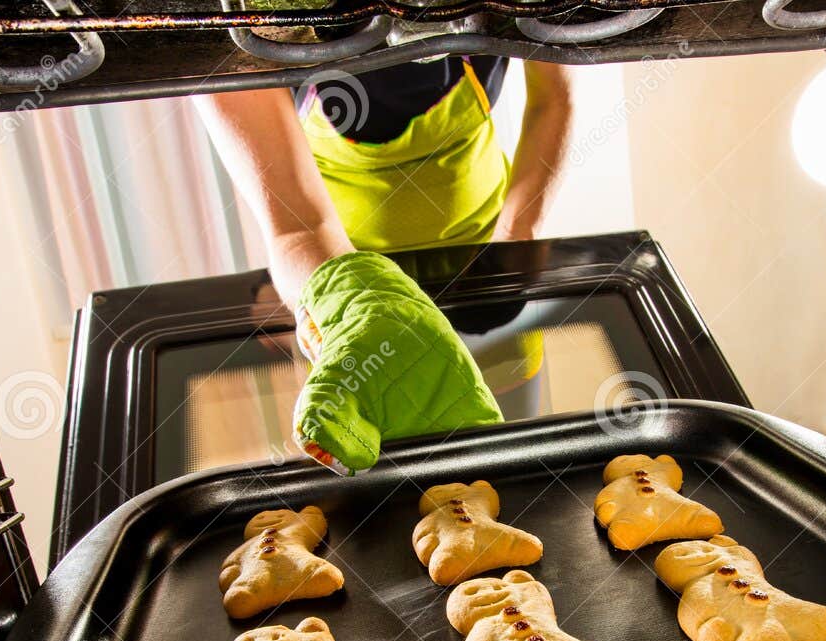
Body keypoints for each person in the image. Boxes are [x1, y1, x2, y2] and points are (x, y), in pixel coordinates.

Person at [195, 57, 574, 473]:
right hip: (360, 309)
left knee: (518, 475)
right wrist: (354, 314)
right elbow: (296, 228)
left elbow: (554, 98)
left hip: (489, 288)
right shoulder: (243, 29)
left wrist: (520, 233)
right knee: (388, 495)